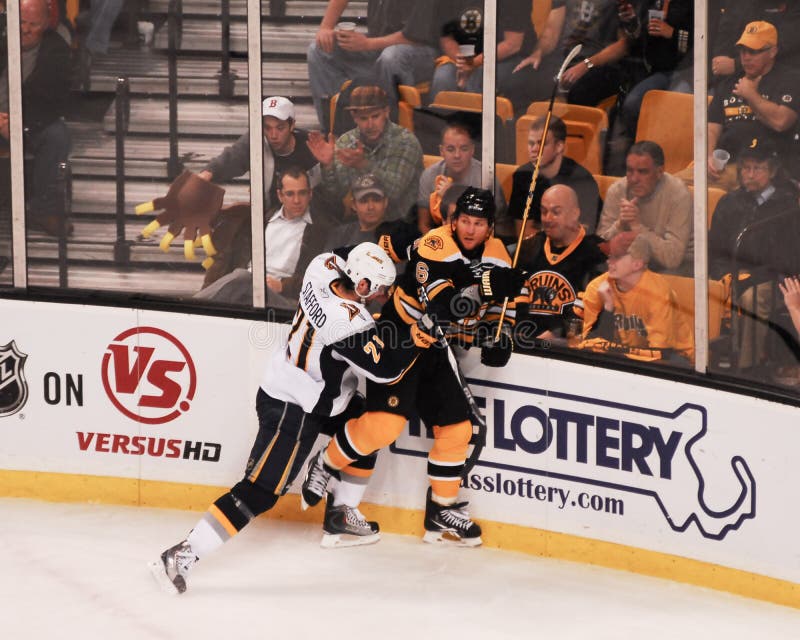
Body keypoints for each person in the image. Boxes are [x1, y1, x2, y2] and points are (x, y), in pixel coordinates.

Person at [150, 242, 435, 593]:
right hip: (295, 406)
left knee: (372, 427)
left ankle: (340, 513)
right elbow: (386, 370)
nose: (382, 295)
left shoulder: (322, 265)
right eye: (378, 289)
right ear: (361, 284)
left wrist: (397, 249)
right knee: (260, 492)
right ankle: (182, 554)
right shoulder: (348, 321)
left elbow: (344, 251)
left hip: (308, 390)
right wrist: (416, 339)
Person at [300, 188, 528, 547]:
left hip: (436, 345)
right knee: (385, 425)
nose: (470, 229)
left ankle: (441, 510)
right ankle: (325, 463)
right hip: (400, 337)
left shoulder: (499, 255)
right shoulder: (434, 246)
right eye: (464, 221)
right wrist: (486, 287)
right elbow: (446, 307)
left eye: (478, 223)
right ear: (453, 221)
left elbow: (505, 303)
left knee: (457, 429)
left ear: (490, 227)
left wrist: (502, 335)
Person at [193, 168, 329, 308]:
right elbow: (224, 261)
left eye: (302, 193)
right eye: (290, 194)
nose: (296, 200)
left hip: (283, 299)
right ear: (280, 195)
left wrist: (282, 285)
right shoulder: (260, 220)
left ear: (310, 194)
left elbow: (322, 281)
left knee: (242, 278)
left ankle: (193, 307)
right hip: (245, 289)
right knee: (243, 279)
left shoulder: (321, 231)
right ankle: (197, 307)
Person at [0, 0, 71, 236]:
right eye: (21, 22)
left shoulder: (57, 51)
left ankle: (43, 210)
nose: (25, 29)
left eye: (33, 24)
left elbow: (53, 103)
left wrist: (19, 124)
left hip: (27, 123)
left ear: (46, 24)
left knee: (57, 135)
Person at [306, 0, 438, 126]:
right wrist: (326, 27)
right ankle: (337, 127)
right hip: (378, 46)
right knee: (319, 50)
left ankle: (394, 133)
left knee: (391, 57)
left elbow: (415, 36)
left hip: (419, 52)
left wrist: (367, 44)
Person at [704, 21, 800, 190]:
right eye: (743, 51)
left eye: (753, 51)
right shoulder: (730, 81)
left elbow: (781, 122)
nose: (746, 57)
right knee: (674, 186)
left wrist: (751, 95)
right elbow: (712, 125)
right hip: (724, 164)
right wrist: (709, 155)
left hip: (762, 168)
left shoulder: (789, 79)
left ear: (772, 51)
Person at [307, 85, 423, 223]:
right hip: (358, 222)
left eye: (375, 116)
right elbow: (336, 195)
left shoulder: (405, 142)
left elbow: (394, 192)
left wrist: (363, 164)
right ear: (354, 117)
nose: (370, 124)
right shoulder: (345, 142)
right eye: (363, 118)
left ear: (386, 112)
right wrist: (328, 166)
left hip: (401, 222)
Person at [198, 96, 323, 216]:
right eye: (267, 128)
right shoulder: (257, 139)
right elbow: (232, 157)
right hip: (268, 215)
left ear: (292, 125)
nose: (273, 135)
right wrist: (206, 175)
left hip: (308, 216)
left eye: (280, 128)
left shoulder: (311, 145)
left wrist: (328, 165)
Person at [580, 231, 693, 363]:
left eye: (617, 257)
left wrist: (619, 352)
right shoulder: (598, 288)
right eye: (610, 255)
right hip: (624, 357)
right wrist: (608, 309)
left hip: (676, 358)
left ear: (637, 264)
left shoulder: (658, 292)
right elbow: (589, 345)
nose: (609, 261)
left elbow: (660, 354)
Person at [516, 185, 608, 340]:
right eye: (544, 211)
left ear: (575, 214)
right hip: (527, 340)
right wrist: (522, 329)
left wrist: (556, 334)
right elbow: (518, 295)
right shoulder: (528, 247)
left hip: (569, 346)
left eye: (556, 212)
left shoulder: (597, 253)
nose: (547, 219)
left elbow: (589, 307)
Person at [596, 141, 692, 274]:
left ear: (659, 172)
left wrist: (637, 227)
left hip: (677, 268)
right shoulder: (617, 191)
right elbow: (600, 249)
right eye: (630, 170)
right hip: (631, 263)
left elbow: (672, 259)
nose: (634, 179)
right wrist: (620, 224)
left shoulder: (679, 194)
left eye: (642, 172)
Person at [427, 0, 539, 114]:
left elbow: (512, 45)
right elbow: (446, 37)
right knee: (442, 78)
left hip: (509, 59)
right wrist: (462, 62)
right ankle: (443, 124)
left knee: (478, 79)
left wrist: (474, 63)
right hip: (464, 57)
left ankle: (474, 123)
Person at [512, 0, 629, 107]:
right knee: (519, 80)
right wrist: (538, 52)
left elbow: (624, 45)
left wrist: (587, 64)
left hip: (599, 63)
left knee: (577, 89)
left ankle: (564, 122)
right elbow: (551, 31)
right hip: (563, 58)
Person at [508, 116, 602, 238]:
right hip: (536, 247)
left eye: (542, 143)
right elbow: (524, 233)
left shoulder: (582, 180)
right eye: (531, 143)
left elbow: (584, 233)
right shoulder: (522, 176)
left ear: (559, 146)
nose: (534, 149)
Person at [616, 0, 693, 142]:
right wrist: (632, 21)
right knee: (632, 105)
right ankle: (641, 147)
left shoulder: (694, 4)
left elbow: (703, 41)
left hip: (690, 72)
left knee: (674, 110)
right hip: (659, 72)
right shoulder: (651, 2)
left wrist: (673, 33)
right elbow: (639, 39)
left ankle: (666, 150)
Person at [416, 122, 505, 234]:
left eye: (464, 149)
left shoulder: (486, 179)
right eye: (450, 149)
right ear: (441, 151)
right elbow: (424, 225)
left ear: (472, 150)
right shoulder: (429, 175)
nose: (457, 155)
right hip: (439, 238)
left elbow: (492, 227)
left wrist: (451, 195)